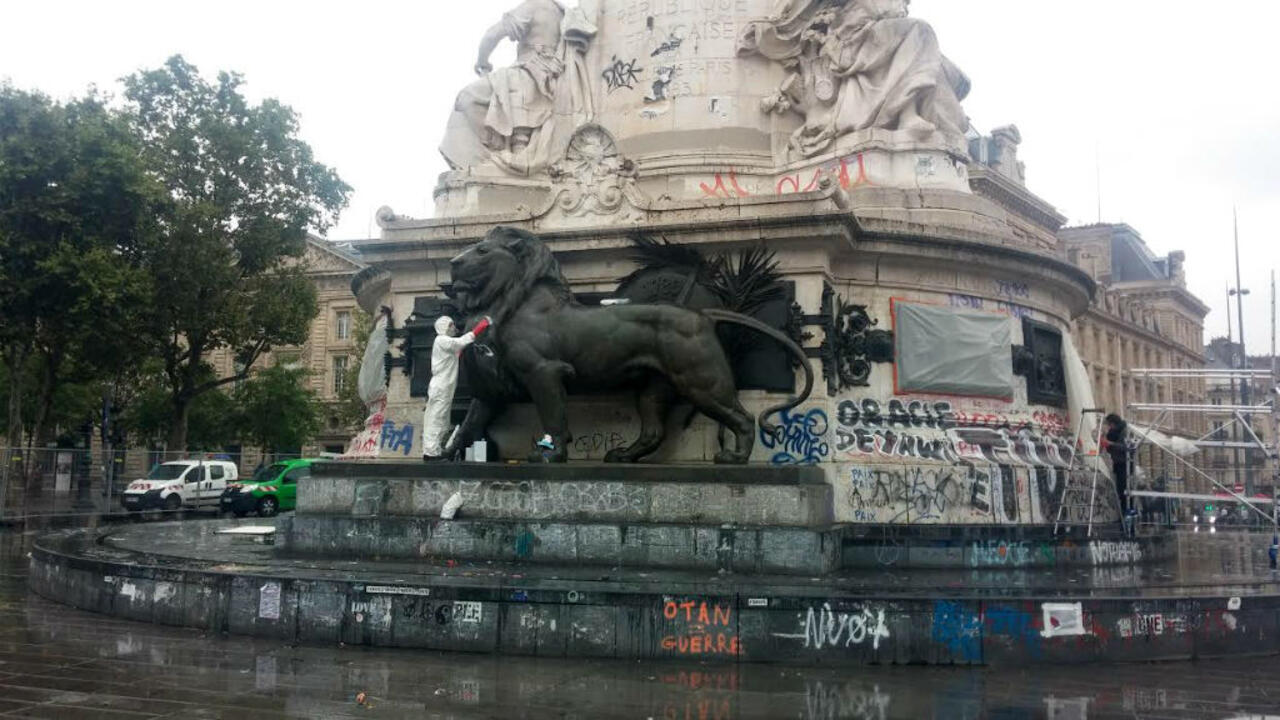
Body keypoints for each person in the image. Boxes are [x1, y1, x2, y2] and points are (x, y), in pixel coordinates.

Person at [422, 315, 492, 461]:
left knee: (442, 420)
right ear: (443, 327)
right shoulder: (441, 340)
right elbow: (460, 343)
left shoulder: (444, 343)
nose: (454, 328)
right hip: (441, 387)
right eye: (450, 325)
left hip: (444, 387)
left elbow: (455, 352)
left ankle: (434, 450)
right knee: (437, 418)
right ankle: (430, 453)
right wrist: (480, 327)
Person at [1102, 413, 1131, 514]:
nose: (1109, 427)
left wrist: (1111, 444)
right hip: (1117, 464)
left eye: (1109, 425)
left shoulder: (1125, 432)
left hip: (1125, 465)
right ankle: (1123, 511)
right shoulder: (1112, 433)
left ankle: (1126, 511)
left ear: (1113, 424)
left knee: (1124, 489)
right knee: (1120, 488)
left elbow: (1126, 447)